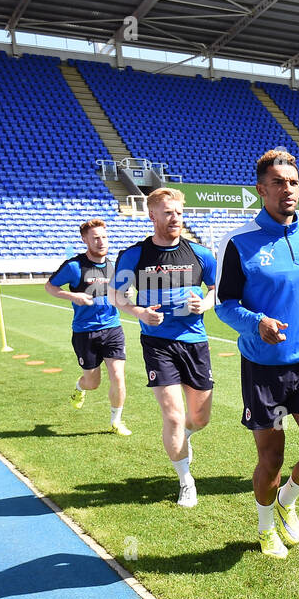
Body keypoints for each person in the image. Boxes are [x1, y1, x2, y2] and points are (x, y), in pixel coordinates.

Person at [214, 150, 299, 559]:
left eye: (294, 182)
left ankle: (287, 500)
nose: (288, 190)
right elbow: (225, 303)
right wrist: (257, 323)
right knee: (271, 457)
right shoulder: (238, 242)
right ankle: (266, 527)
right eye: (279, 183)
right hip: (263, 369)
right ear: (261, 189)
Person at [112, 188, 216, 507]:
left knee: (199, 419)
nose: (175, 218)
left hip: (195, 342)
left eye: (179, 212)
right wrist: (139, 312)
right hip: (157, 345)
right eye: (168, 212)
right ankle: (186, 480)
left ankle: (184, 439)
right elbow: (118, 296)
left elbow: (216, 289)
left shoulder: (201, 254)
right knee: (173, 415)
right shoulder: (134, 256)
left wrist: (206, 304)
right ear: (152, 215)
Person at [46, 218, 130, 435]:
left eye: (104, 237)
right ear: (85, 240)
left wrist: (126, 294)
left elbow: (122, 294)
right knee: (93, 382)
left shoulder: (114, 267)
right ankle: (80, 387)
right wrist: (72, 295)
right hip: (85, 332)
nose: (101, 242)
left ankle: (116, 421)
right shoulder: (74, 266)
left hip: (113, 329)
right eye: (95, 238)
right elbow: (50, 286)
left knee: (118, 376)